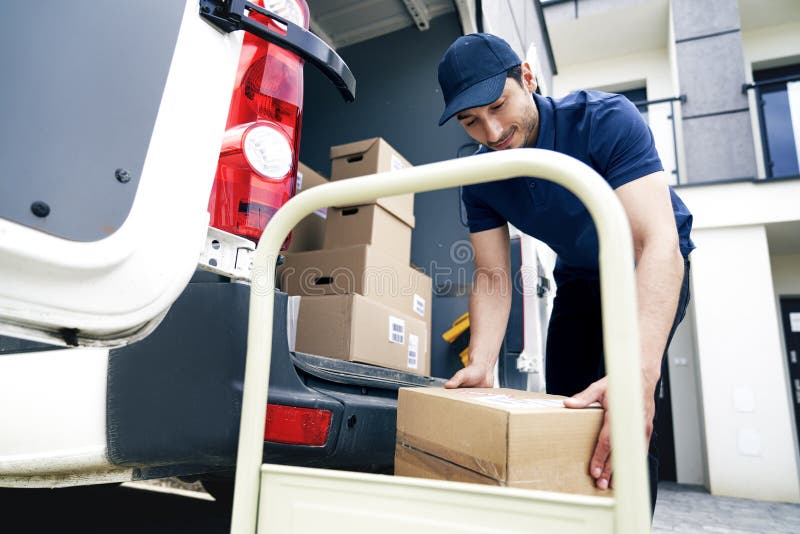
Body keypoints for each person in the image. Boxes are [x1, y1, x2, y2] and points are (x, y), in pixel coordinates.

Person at [437, 33, 694, 510]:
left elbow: (656, 243)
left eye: (498, 106)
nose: (492, 133)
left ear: (528, 78)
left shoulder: (604, 119)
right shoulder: (478, 175)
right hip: (578, 276)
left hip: (646, 265)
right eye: (471, 122)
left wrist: (637, 374)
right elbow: (494, 275)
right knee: (567, 409)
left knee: (621, 406)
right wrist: (482, 362)